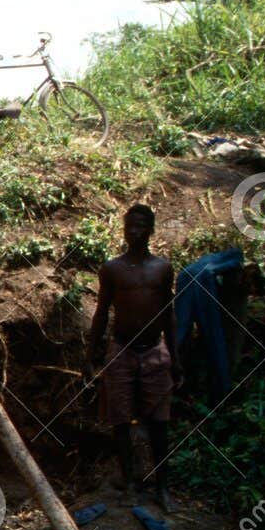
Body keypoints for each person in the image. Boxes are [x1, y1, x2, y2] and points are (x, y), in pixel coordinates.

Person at [87, 204, 182, 510]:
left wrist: (176, 358)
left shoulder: (162, 269)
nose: (135, 232)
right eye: (130, 227)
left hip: (154, 350)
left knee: (159, 421)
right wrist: (92, 352)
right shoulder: (112, 269)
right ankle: (130, 484)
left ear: (151, 230)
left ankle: (163, 487)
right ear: (124, 230)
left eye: (141, 227)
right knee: (120, 420)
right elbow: (102, 312)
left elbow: (168, 315)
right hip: (121, 350)